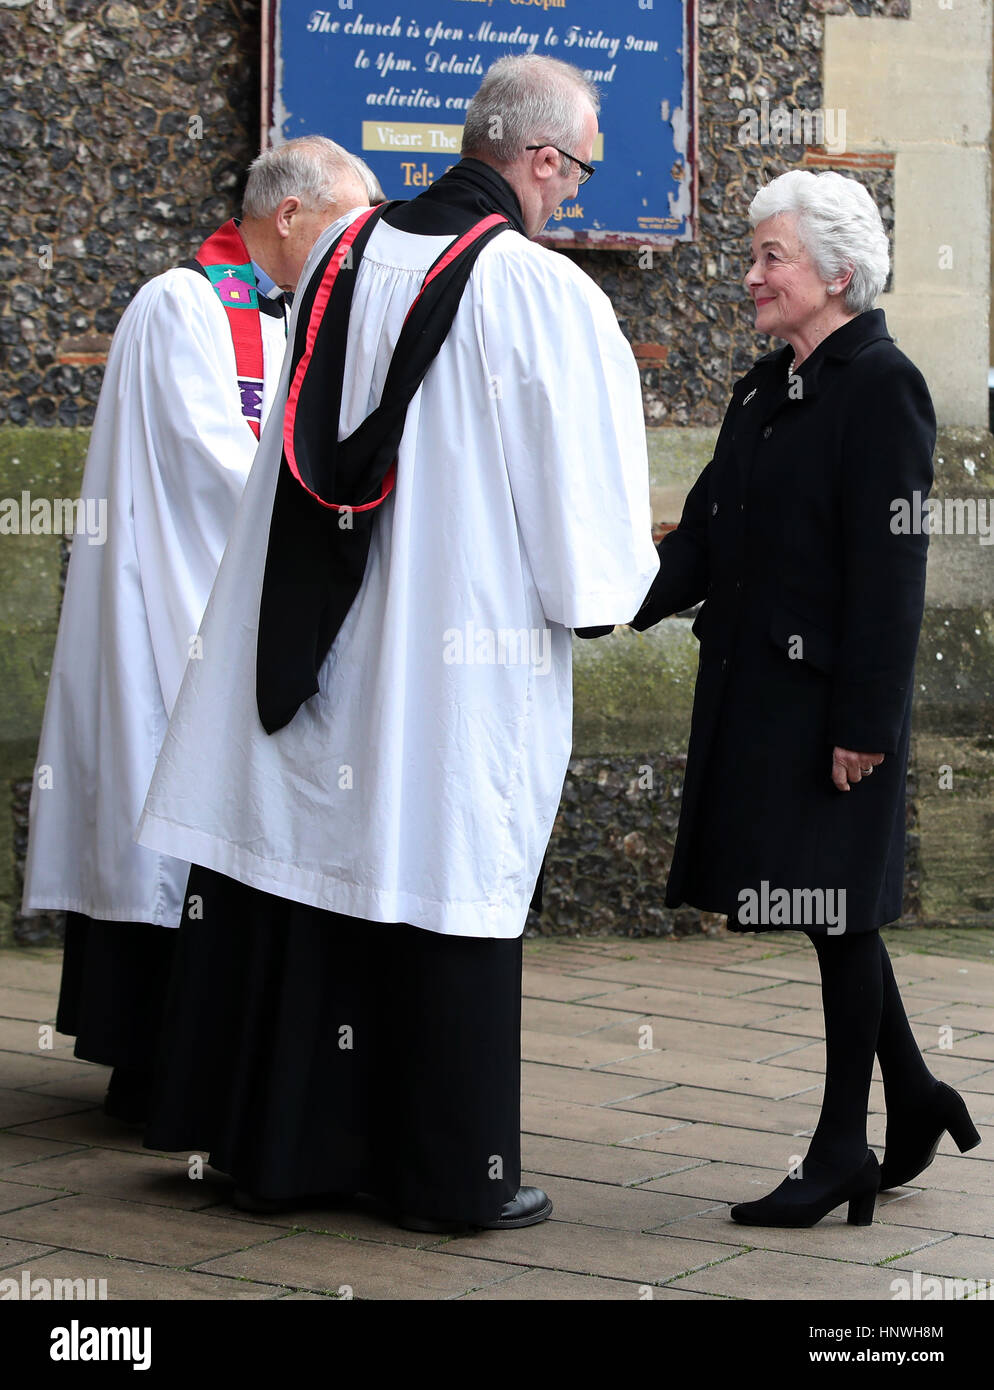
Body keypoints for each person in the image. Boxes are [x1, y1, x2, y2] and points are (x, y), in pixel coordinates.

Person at [135, 54, 658, 1232]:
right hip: (450, 666)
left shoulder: (340, 260)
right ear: (533, 158)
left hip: (321, 646)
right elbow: (583, 546)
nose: (571, 193)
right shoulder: (542, 293)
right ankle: (444, 1176)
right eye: (574, 169)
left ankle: (281, 1154)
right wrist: (621, 586)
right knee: (434, 868)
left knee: (310, 874)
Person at [621, 169, 980, 1227]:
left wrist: (865, 726)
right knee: (831, 917)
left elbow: (889, 576)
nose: (749, 277)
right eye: (752, 255)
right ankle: (913, 1096)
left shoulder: (882, 384)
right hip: (755, 697)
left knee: (835, 911)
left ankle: (840, 1151)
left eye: (768, 258)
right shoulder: (761, 385)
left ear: (836, 271)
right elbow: (704, 540)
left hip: (831, 711)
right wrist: (599, 601)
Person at [21, 137, 373, 1122]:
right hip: (172, 611)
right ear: (291, 216)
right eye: (345, 223)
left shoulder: (292, 312)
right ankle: (154, 1068)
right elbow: (226, 465)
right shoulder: (182, 306)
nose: (356, 248)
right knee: (168, 831)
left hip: (235, 611)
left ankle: (210, 1064)